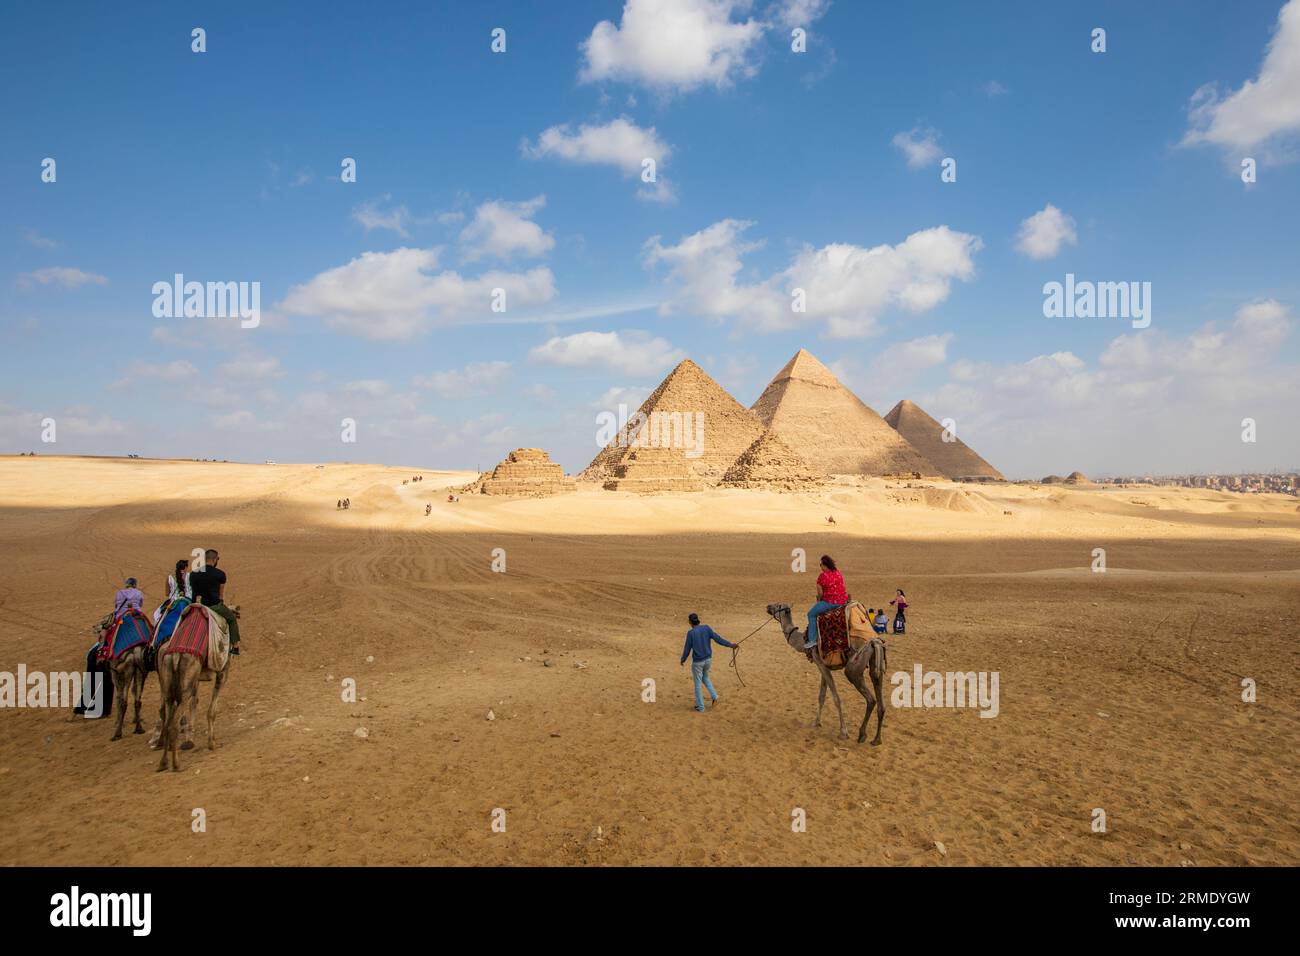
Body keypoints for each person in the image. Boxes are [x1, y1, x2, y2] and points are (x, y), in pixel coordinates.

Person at [189, 549, 241, 655]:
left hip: (197, 605)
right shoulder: (220, 574)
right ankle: (235, 647)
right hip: (214, 606)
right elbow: (220, 596)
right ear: (215, 559)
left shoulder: (193, 574)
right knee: (231, 618)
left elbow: (194, 593)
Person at [679, 612, 735, 712]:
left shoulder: (691, 633)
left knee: (697, 684)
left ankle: (700, 706)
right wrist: (730, 645)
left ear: (690, 622)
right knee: (705, 677)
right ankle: (715, 696)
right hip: (708, 660)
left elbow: (687, 649)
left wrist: (683, 659)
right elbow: (718, 639)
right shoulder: (706, 628)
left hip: (698, 663)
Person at [803, 555, 848, 649]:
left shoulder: (822, 576)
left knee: (811, 614)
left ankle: (812, 640)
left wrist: (819, 600)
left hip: (830, 602)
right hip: (843, 601)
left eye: (820, 565)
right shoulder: (837, 573)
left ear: (824, 565)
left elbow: (820, 593)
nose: (820, 567)